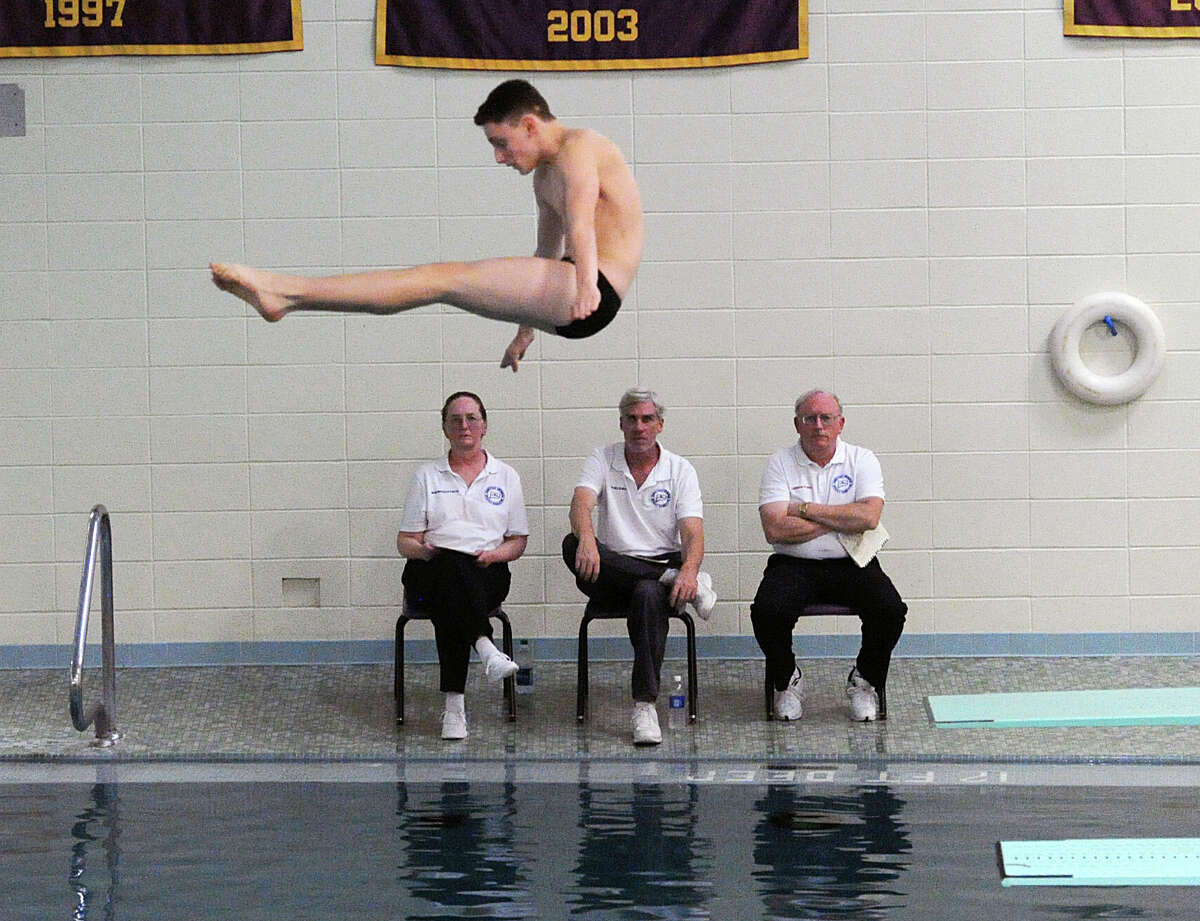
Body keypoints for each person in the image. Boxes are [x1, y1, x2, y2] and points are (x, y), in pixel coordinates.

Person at [210, 79, 643, 372]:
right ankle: (288, 297)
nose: (499, 157)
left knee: (439, 279)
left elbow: (581, 225)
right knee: (436, 283)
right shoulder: (548, 175)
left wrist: (585, 286)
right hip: (576, 295)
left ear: (529, 125)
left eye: (501, 143)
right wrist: (525, 331)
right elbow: (546, 255)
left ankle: (285, 292)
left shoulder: (580, 147)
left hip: (593, 289)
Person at [563, 387, 717, 746]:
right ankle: (668, 578)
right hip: (606, 569)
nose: (639, 426)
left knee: (648, 593)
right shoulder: (602, 458)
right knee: (571, 544)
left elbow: (693, 533)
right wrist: (587, 538)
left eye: (647, 419)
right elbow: (581, 504)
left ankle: (644, 704)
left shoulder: (680, 469)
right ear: (621, 424)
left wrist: (690, 571)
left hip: (661, 566)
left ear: (660, 424)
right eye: (631, 419)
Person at [752, 390, 907, 722]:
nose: (818, 426)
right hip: (793, 565)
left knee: (891, 610)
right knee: (766, 612)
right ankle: (787, 681)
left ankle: (864, 681)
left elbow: (869, 519)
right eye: (810, 418)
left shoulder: (861, 459)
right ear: (797, 424)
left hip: (852, 563)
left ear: (841, 424)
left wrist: (805, 510)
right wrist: (840, 519)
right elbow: (774, 529)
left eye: (826, 418)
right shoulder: (780, 463)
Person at [396, 391, 528, 740]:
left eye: (471, 418)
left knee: (452, 594)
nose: (464, 426)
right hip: (430, 568)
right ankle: (485, 646)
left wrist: (493, 555)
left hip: (487, 571)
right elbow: (404, 541)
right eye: (455, 420)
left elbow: (517, 542)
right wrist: (425, 550)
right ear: (445, 428)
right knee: (449, 570)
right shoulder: (427, 476)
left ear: (484, 425)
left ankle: (454, 707)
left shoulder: (506, 476)